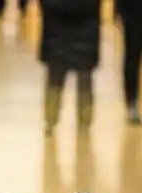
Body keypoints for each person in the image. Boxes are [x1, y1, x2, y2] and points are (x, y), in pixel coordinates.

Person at [41, 0, 101, 131]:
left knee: (56, 76)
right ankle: (84, 121)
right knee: (83, 77)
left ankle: (51, 118)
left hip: (57, 25)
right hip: (86, 24)